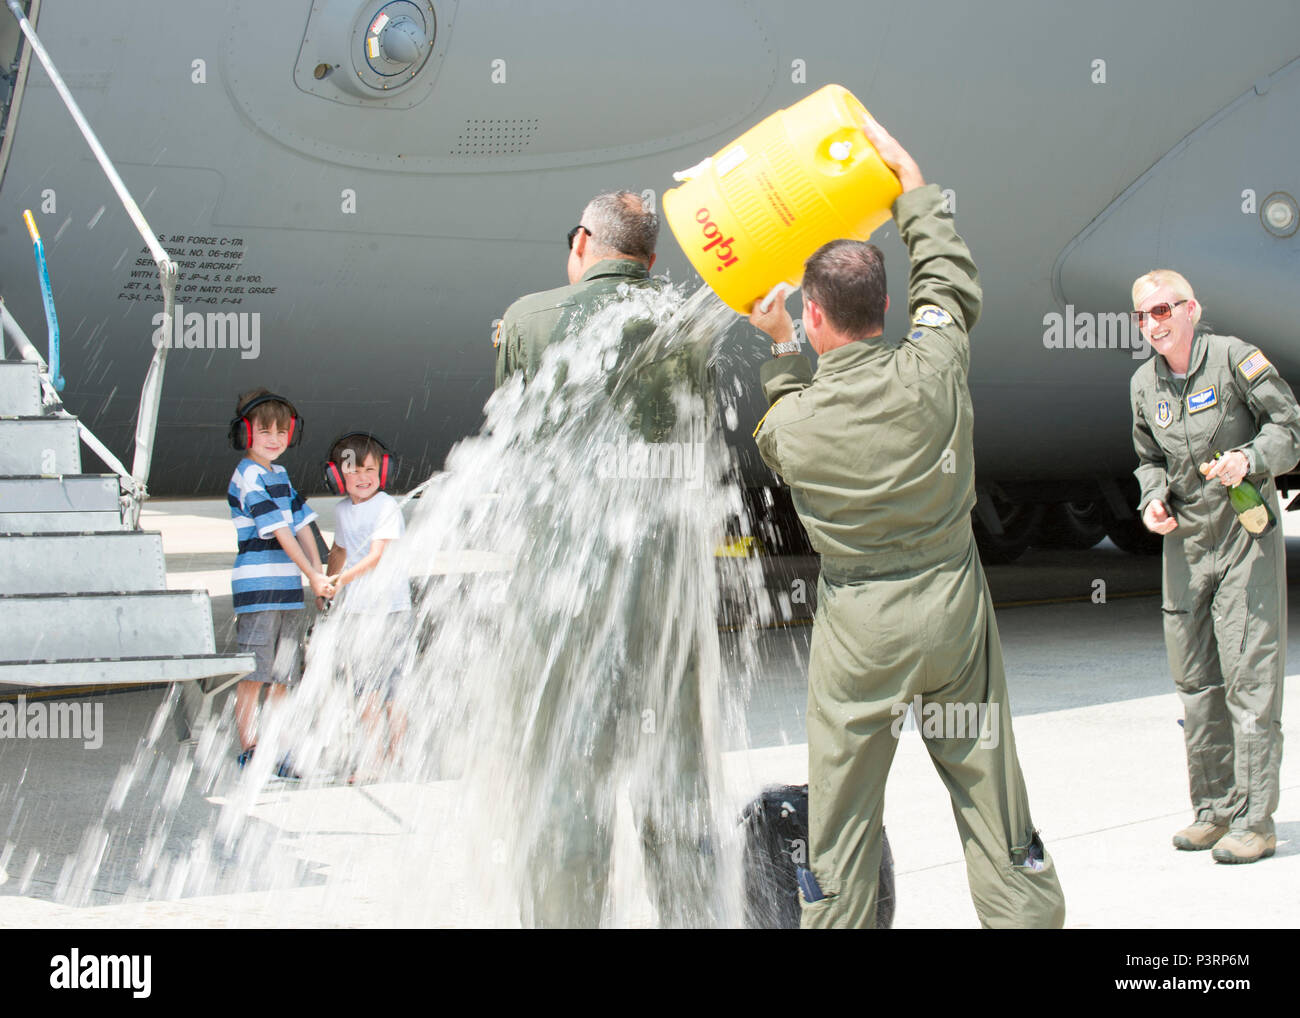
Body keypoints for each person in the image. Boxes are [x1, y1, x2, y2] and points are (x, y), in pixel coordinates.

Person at [749, 114, 1066, 928]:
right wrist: (909, 187)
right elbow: (949, 285)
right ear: (884, 307)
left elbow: (781, 415)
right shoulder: (935, 363)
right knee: (990, 788)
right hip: (952, 608)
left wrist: (780, 346)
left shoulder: (796, 425)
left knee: (844, 814)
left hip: (860, 629)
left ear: (814, 317)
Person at [493, 191, 715, 927]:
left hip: (564, 585)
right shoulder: (687, 319)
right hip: (665, 583)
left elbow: (514, 445)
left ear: (584, 241)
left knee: (563, 775)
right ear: (651, 261)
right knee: (676, 772)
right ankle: (692, 914)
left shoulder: (527, 319)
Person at [1129, 270, 1299, 864]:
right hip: (1187, 546)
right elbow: (1148, 458)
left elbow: (1290, 429)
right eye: (1145, 315)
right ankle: (1214, 810)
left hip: (1242, 535)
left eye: (1165, 309)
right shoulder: (1143, 385)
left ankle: (1255, 822)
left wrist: (1250, 458)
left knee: (1250, 682)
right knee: (1197, 683)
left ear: (1192, 309)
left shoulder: (1235, 360)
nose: (1156, 322)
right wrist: (1152, 498)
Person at [226, 388, 333, 772]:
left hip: (288, 589)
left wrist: (319, 577)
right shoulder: (248, 475)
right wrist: (311, 574)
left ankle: (279, 746)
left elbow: (303, 523)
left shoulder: (280, 474)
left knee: (283, 674)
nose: (274, 439)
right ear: (245, 433)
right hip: (258, 589)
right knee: (255, 672)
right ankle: (251, 745)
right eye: (264, 431)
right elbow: (280, 531)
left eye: (281, 432)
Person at [323, 432, 411, 780]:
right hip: (358, 612)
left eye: (369, 469)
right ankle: (373, 757)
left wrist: (340, 581)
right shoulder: (343, 511)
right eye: (353, 471)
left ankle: (398, 754)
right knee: (365, 690)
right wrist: (327, 585)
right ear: (336, 476)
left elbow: (376, 557)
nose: (362, 477)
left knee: (393, 688)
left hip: (391, 609)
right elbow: (339, 551)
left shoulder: (386, 506)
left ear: (382, 471)